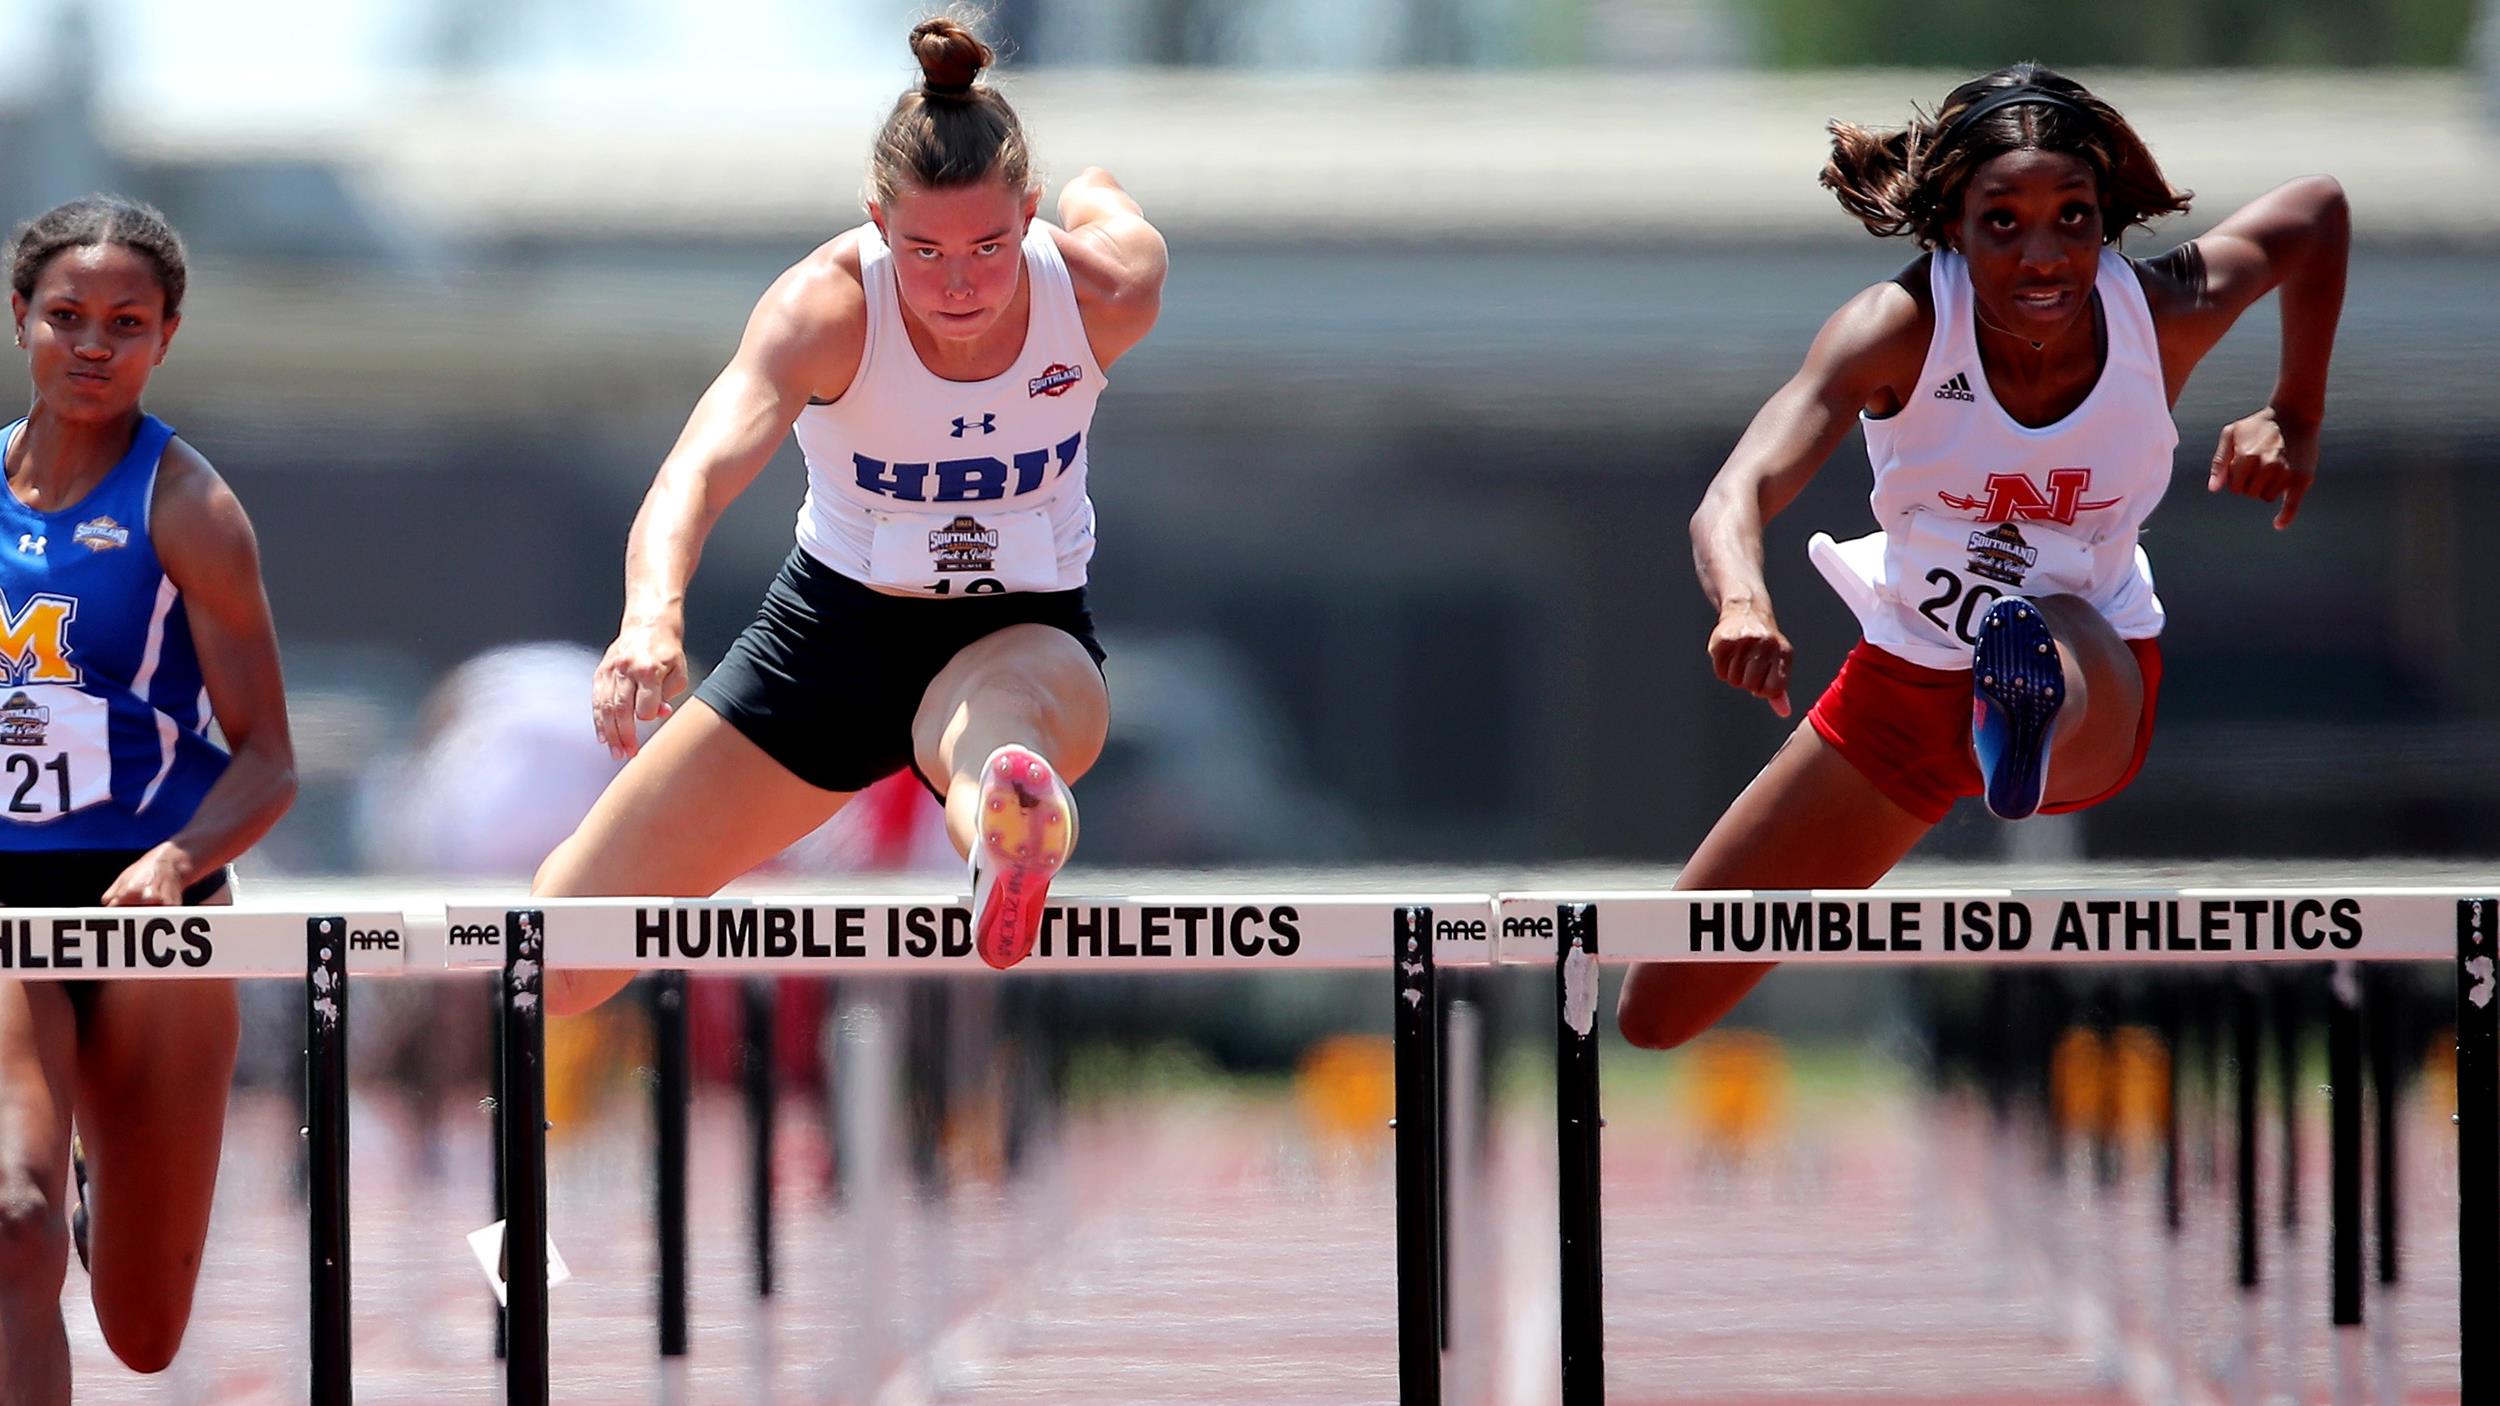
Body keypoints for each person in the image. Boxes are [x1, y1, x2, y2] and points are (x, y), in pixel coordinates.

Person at [1618, 64, 2348, 1050]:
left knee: (2036, 628)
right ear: (1952, 227)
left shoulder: (2156, 316)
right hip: (1908, 688)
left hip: (2094, 679)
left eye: (2073, 219)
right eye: (2002, 223)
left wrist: (2295, 412)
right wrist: (1744, 601)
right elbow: (1734, 490)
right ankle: (1997, 705)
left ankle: (2023, 709)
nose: (2043, 256)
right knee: (1655, 1005)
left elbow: (2316, 213)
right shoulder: (1901, 328)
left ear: (2103, 219)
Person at [535, 14, 1167, 1014]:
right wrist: (651, 619)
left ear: (1031, 216)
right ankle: (1002, 811)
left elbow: (1110, 204)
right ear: (876, 223)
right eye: (924, 250)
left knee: (982, 728)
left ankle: (1009, 828)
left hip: (1023, 629)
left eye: (989, 247)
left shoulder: (1103, 293)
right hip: (830, 641)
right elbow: (693, 471)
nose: (959, 284)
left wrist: (1097, 193)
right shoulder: (824, 311)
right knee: (563, 955)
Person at [0, 196, 297, 1394]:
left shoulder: (191, 509)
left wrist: (178, 859)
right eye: (66, 316)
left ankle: (101, 1193)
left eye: (125, 323)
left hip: (151, 903)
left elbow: (270, 754)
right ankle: (42, 1189)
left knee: (143, 1328)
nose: (91, 344)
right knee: (9, 1220)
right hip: (8, 910)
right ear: (20, 318)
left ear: (165, 337)